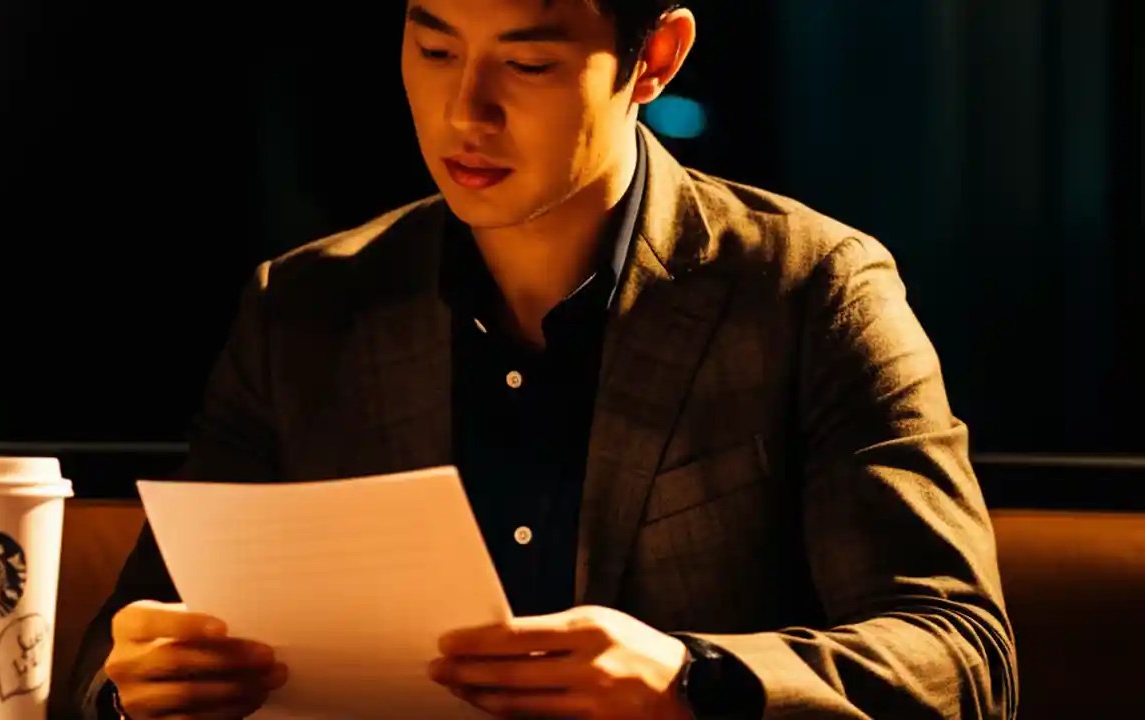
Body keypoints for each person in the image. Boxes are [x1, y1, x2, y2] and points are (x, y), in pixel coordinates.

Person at [69, 1, 1018, 718]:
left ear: (655, 59)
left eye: (525, 62)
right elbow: (104, 665)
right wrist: (137, 684)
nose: (462, 111)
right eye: (434, 49)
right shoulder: (308, 309)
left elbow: (964, 659)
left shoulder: (806, 291)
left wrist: (694, 681)